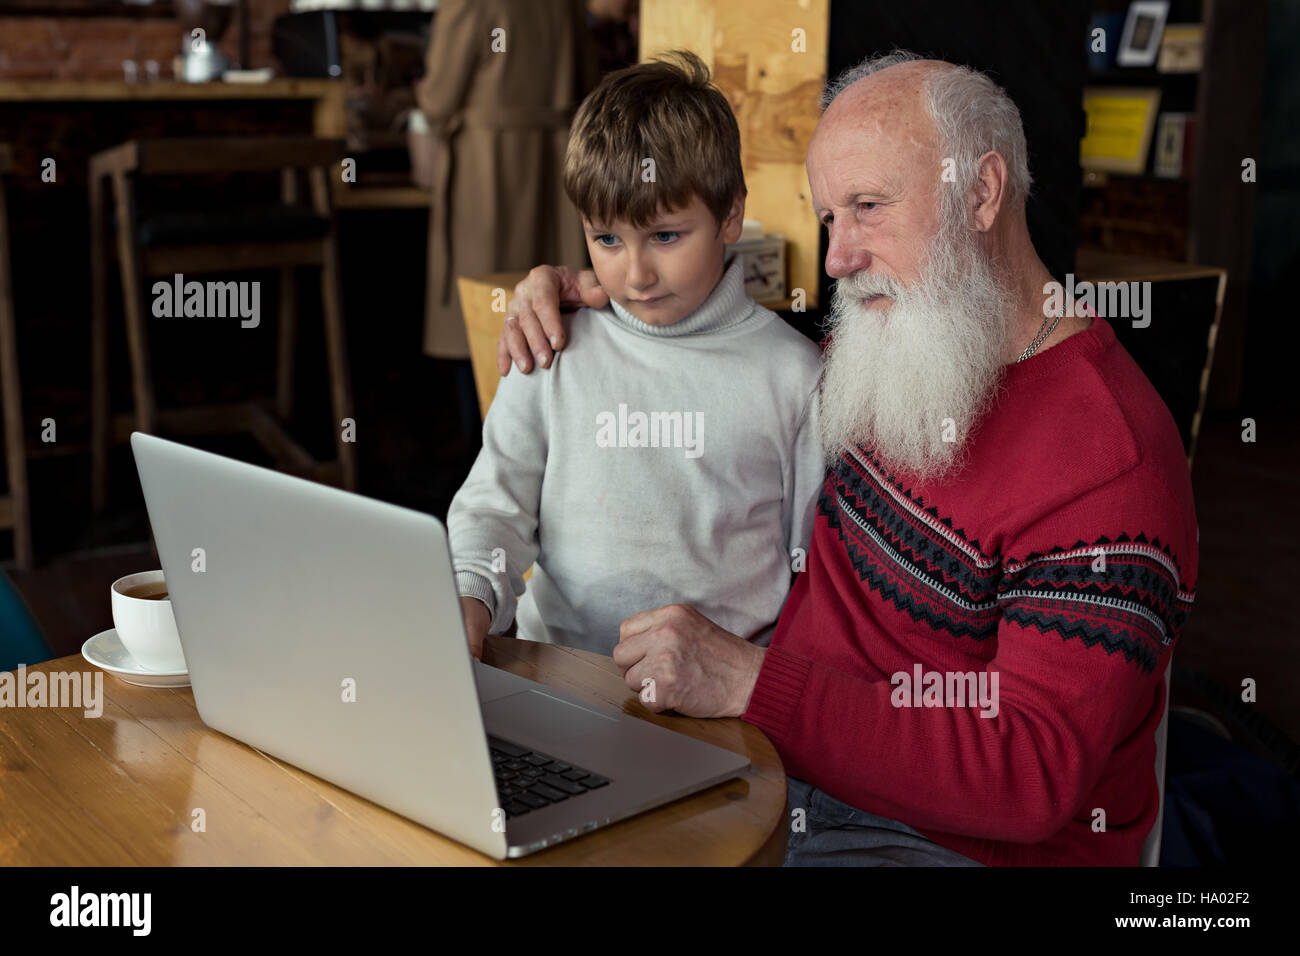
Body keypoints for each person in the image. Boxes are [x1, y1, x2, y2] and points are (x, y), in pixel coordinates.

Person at [494, 52, 1199, 867]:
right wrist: (588, 293)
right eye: (830, 217)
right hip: (768, 769)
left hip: (932, 843)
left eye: (868, 207)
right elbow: (715, 349)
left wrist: (754, 684)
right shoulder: (897, 342)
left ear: (981, 191)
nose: (837, 257)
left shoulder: (1114, 461)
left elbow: (1029, 772)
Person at [447, 52, 823, 661]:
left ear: (731, 213)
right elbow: (495, 506)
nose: (638, 273)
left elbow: (813, 574)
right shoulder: (552, 347)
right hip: (559, 683)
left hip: (717, 712)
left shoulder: (794, 377)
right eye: (608, 240)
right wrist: (470, 595)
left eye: (666, 236)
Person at [415, 0, 596, 440]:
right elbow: (588, 84)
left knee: (477, 319)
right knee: (553, 317)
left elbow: (440, 98)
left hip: (488, 171)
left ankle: (483, 462)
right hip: (557, 163)